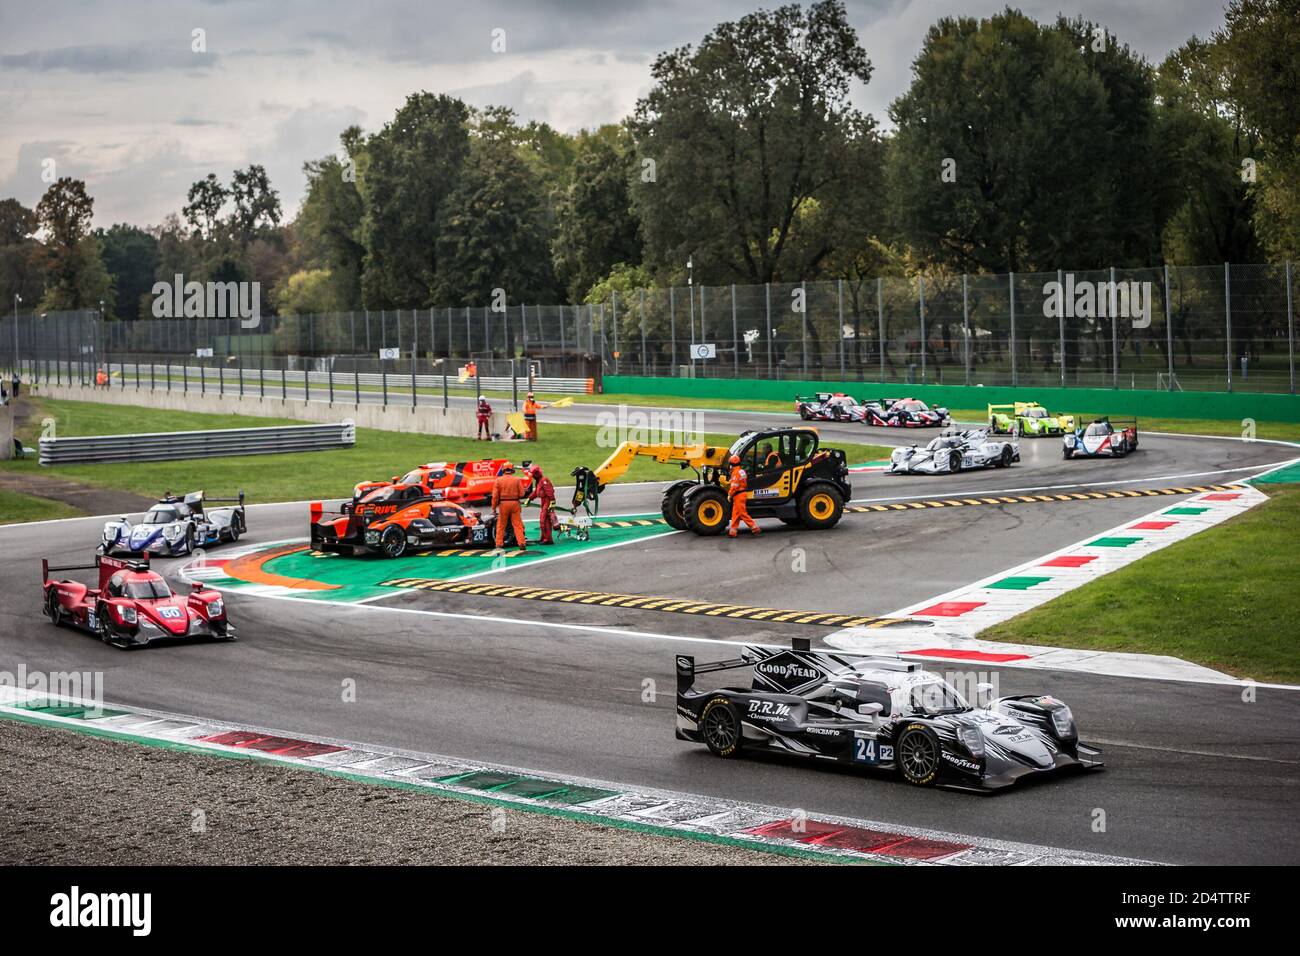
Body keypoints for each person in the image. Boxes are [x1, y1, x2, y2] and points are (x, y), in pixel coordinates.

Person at [491, 462, 529, 550]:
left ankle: (499, 544)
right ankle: (522, 543)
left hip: (503, 504)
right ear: (512, 470)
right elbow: (522, 494)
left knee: (501, 525)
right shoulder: (517, 480)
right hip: (515, 503)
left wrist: (494, 507)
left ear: (503, 470)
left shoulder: (498, 480)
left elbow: (495, 496)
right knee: (517, 525)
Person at [727, 454, 759, 538]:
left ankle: (754, 527)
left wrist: (729, 494)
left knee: (742, 513)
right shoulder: (742, 471)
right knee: (735, 513)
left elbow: (735, 486)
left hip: (738, 495)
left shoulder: (735, 473)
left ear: (731, 464)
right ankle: (733, 531)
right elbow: (741, 482)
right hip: (742, 494)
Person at [527, 464, 557, 545]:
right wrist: (529, 498)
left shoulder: (544, 480)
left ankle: (547, 539)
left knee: (543, 520)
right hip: (543, 501)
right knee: (545, 521)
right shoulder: (539, 481)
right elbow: (536, 492)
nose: (533, 476)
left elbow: (550, 492)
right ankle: (545, 538)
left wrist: (552, 502)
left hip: (547, 501)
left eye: (533, 474)